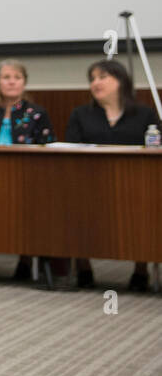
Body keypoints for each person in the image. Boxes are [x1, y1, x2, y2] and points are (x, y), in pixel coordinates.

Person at [63, 58, 158, 291]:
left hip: (136, 183)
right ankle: (83, 268)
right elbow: (71, 151)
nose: (96, 83)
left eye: (102, 77)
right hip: (89, 184)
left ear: (121, 81)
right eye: (92, 79)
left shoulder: (144, 115)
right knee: (75, 203)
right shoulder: (80, 114)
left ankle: (141, 269)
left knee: (148, 204)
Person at [0, 59, 55, 282]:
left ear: (24, 83)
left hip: (26, 176)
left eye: (17, 77)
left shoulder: (36, 112)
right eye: (6, 77)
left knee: (33, 202)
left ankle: (25, 261)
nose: (12, 82)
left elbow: (48, 146)